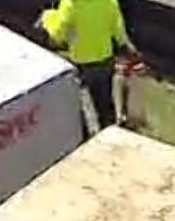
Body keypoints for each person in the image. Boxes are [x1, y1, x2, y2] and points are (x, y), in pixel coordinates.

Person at [38, 0, 136, 134]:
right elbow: (119, 33)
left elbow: (57, 35)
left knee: (80, 107)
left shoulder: (70, 5)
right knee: (105, 105)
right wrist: (129, 48)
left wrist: (48, 17)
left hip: (81, 65)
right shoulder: (110, 2)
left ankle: (86, 138)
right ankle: (110, 135)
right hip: (104, 62)